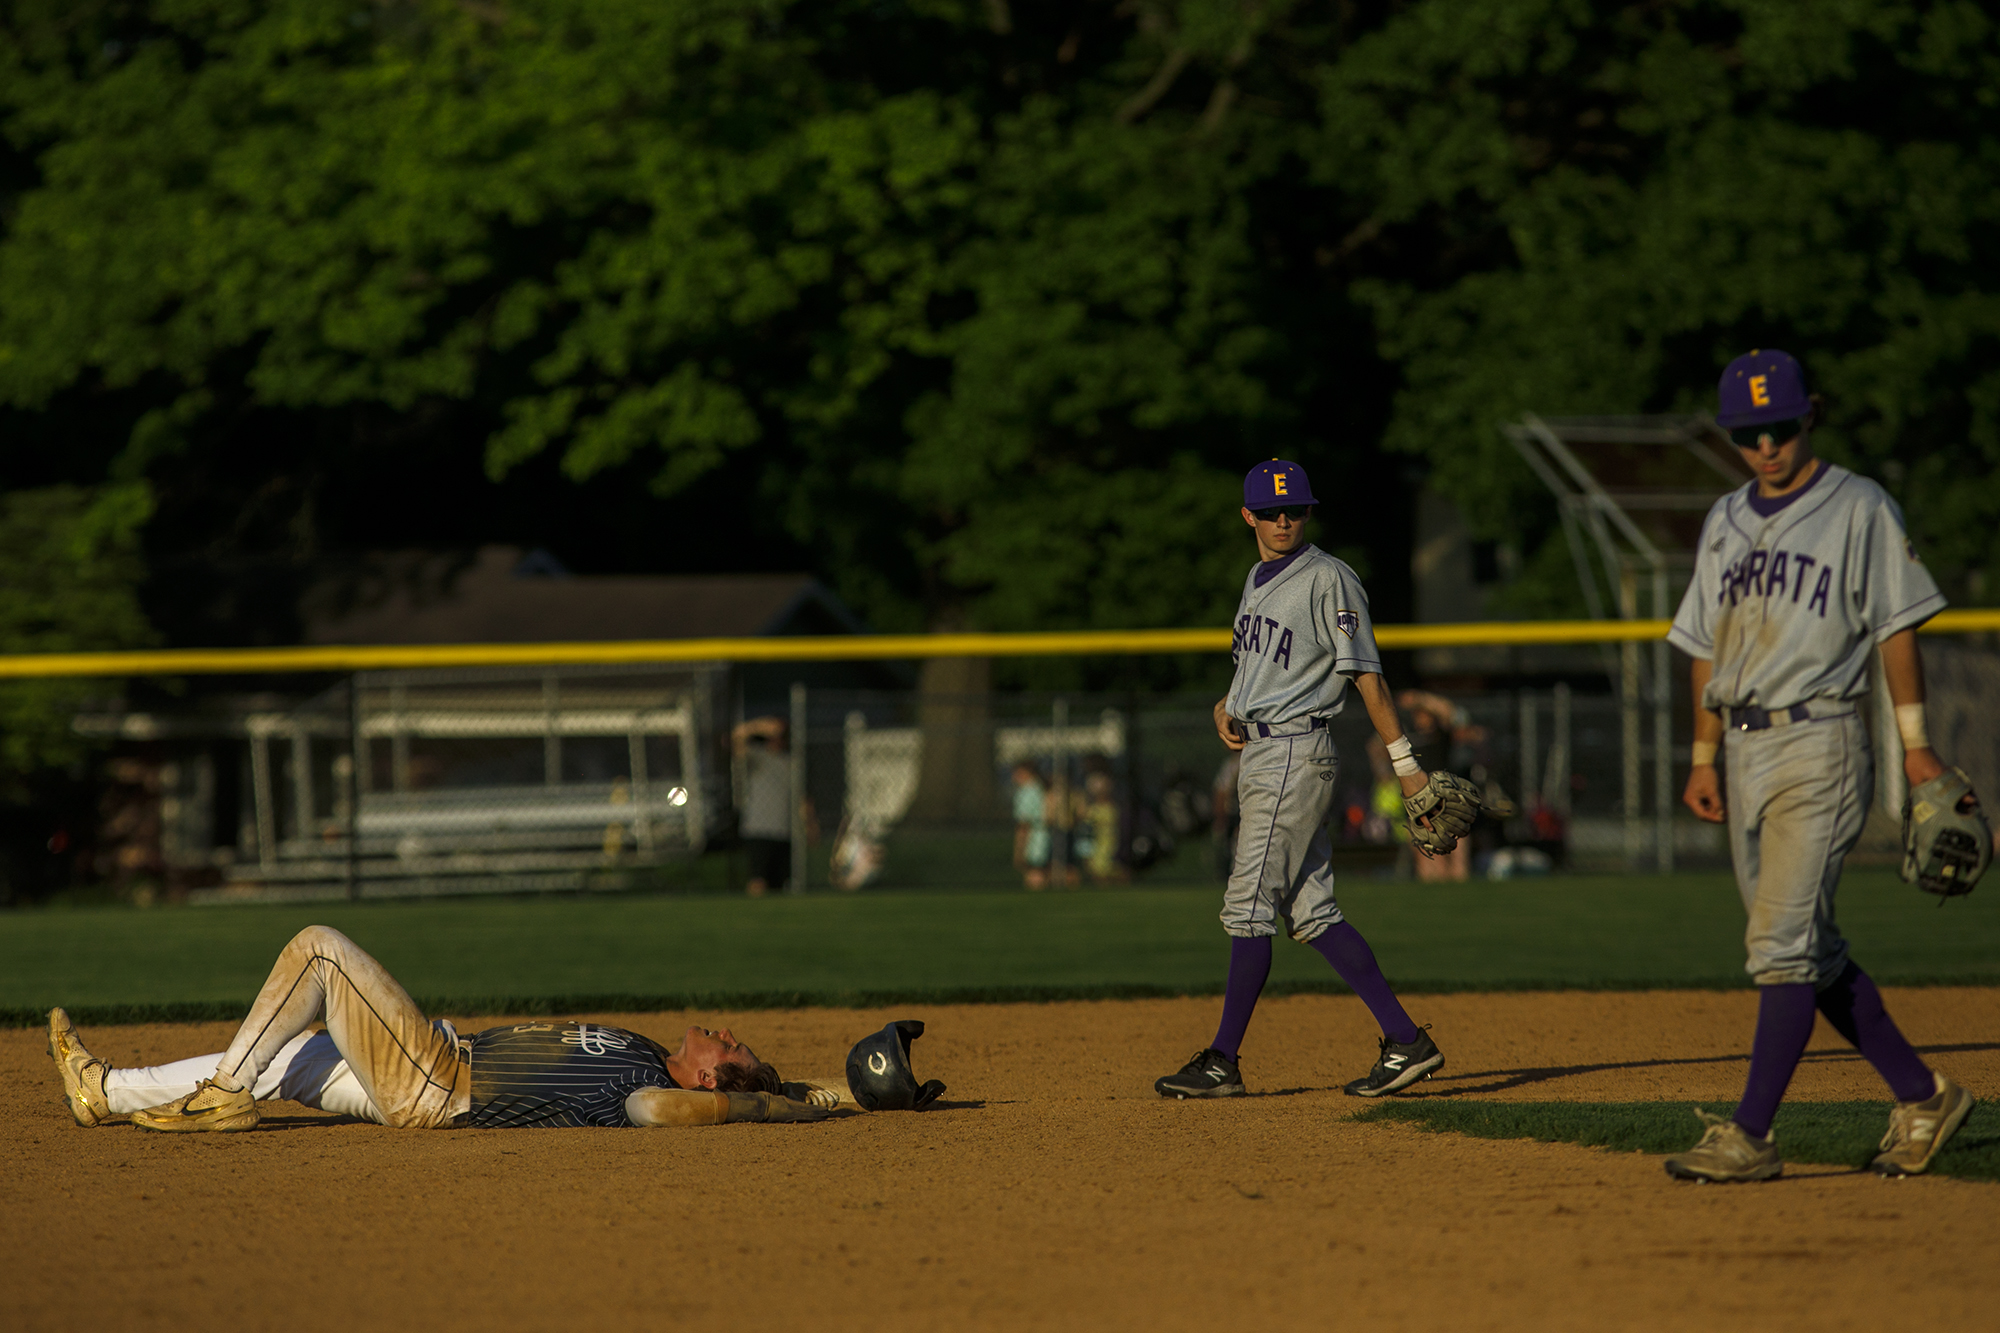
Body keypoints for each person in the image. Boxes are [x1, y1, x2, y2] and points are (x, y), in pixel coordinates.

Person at [1662, 348, 1977, 1181]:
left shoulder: (1859, 506)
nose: (1765, 444)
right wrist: (1701, 754)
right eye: (1746, 433)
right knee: (1809, 947)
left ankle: (1752, 1133)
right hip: (1741, 745)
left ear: (1811, 415)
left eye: (1779, 425)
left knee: (1781, 946)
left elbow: (1896, 626)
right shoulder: (1726, 518)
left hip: (1823, 738)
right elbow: (1703, 645)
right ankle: (1924, 1093)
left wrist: (1915, 746)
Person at [1154, 458, 1459, 1101]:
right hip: (1265, 754)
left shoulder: (1329, 579)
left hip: (1294, 755)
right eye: (1270, 511)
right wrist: (1226, 704)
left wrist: (1406, 768)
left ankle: (1222, 1062)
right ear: (1249, 516)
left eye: (1293, 509)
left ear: (1309, 512)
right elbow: (1259, 668)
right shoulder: (1257, 577)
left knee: (1247, 909)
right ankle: (1406, 1042)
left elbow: (1366, 675)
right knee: (1312, 912)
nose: (1283, 520)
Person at [46, 925, 828, 1132]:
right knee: (278, 1056)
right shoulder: (651, 1052)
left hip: (438, 1080)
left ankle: (221, 1094)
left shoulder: (652, 1087)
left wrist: (769, 1105)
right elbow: (785, 1090)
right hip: (432, 1069)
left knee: (319, 949)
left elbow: (660, 1114)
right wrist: (822, 1094)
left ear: (709, 1077)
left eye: (730, 1047)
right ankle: (103, 1090)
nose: (723, 1031)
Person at [733, 716, 798, 896]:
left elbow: (802, 797)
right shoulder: (757, 756)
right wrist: (759, 727)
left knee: (780, 883)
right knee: (758, 881)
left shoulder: (792, 762)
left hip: (784, 829)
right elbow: (736, 737)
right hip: (759, 828)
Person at [1010, 760, 1051, 889]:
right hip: (1045, 835)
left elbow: (1024, 823)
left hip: (1034, 837)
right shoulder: (1041, 788)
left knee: (1034, 873)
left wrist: (1019, 849)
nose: (1013, 777)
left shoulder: (1027, 792)